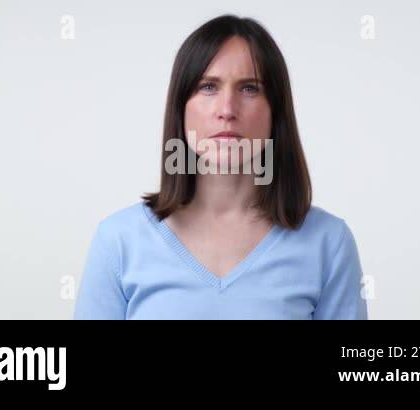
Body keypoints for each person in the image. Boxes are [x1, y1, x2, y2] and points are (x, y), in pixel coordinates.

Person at [74, 14, 368, 320]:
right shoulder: (118, 241)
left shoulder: (329, 243)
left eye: (250, 89)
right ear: (181, 108)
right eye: (208, 87)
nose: (227, 110)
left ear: (275, 112)